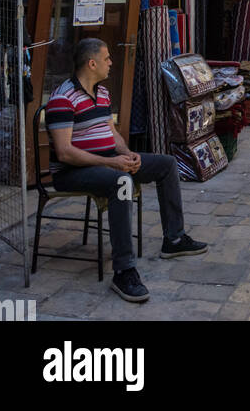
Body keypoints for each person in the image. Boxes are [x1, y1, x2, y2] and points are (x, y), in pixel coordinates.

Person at [46, 38, 208, 304]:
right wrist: (112, 164)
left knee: (166, 164)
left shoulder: (103, 93)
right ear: (92, 63)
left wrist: (126, 154)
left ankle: (174, 240)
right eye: (107, 58)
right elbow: (64, 153)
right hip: (71, 171)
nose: (111, 62)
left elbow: (111, 134)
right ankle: (124, 270)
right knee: (121, 181)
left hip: (108, 161)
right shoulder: (63, 98)